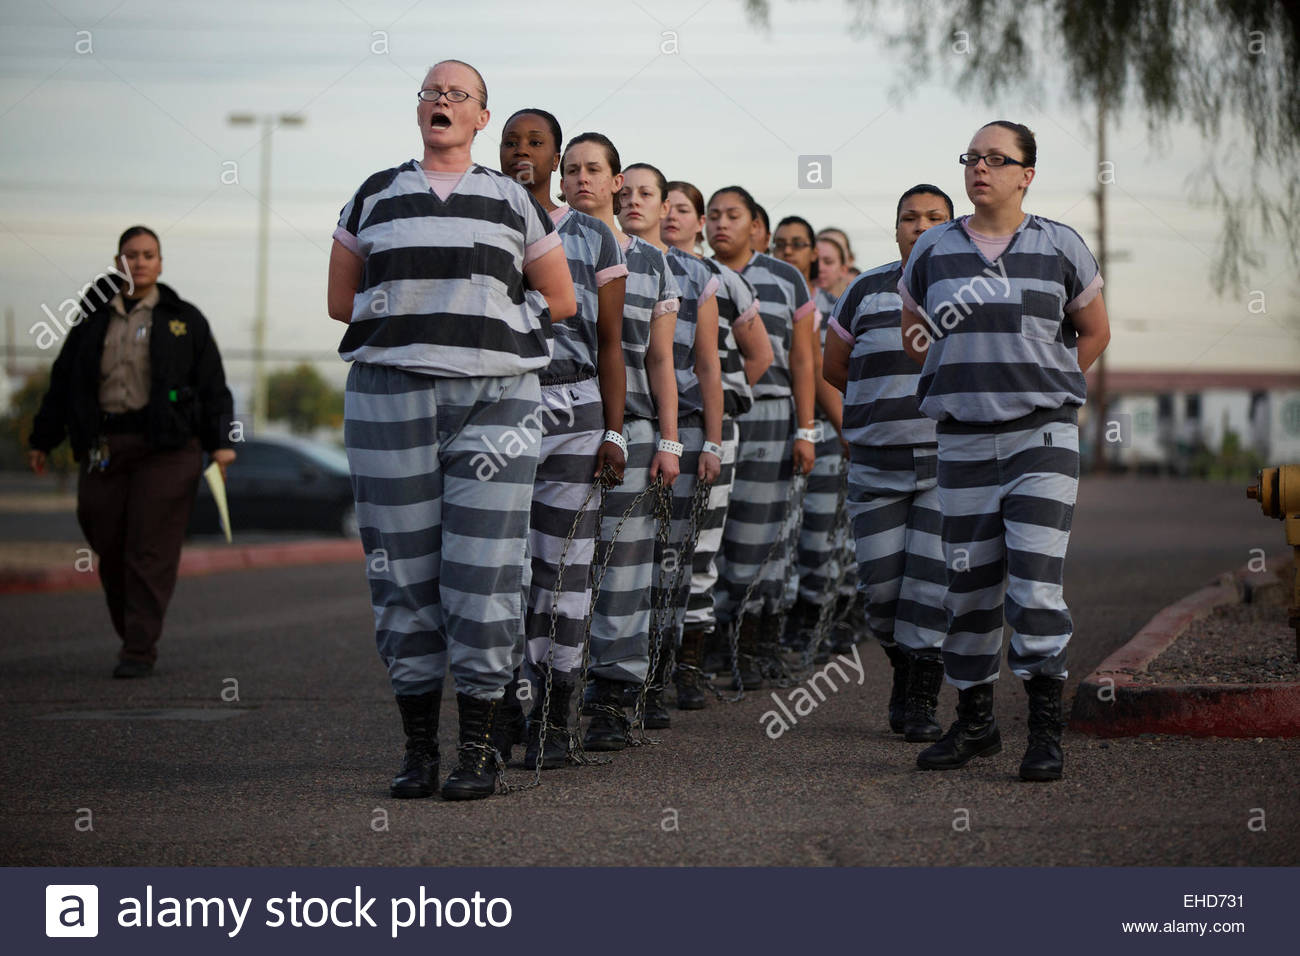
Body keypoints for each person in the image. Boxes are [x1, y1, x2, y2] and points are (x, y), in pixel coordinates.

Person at [327, 60, 577, 801]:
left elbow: (558, 298)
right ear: (419, 112)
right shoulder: (376, 192)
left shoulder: (510, 201)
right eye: (431, 92)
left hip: (495, 400)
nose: (441, 101)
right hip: (387, 396)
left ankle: (478, 750)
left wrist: (500, 327)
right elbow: (343, 301)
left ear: (479, 118)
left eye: (456, 94)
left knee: (483, 573)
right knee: (401, 574)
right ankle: (418, 752)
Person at [899, 121, 1111, 781]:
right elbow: (914, 329)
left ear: (1027, 174)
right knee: (968, 590)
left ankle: (1045, 731)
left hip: (1042, 436)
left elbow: (1095, 330)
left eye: (997, 159)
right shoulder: (933, 248)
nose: (980, 168)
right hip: (961, 440)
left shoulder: (1061, 245)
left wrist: (1048, 377)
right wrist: (954, 365)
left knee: (1035, 586)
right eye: (971, 157)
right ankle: (976, 724)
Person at [28, 226, 236, 679]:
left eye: (148, 255)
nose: (139, 262)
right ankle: (133, 630)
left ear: (160, 263)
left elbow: (213, 385)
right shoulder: (92, 318)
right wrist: (43, 438)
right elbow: (64, 381)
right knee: (106, 535)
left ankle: (139, 648)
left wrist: (221, 441)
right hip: (106, 445)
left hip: (168, 447)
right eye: (131, 255)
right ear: (118, 262)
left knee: (149, 546)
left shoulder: (184, 319)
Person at [497, 108, 628, 770]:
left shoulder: (594, 240)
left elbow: (611, 343)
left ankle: (554, 713)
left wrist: (614, 428)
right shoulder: (482, 221)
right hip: (497, 409)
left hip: (575, 412)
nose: (523, 151)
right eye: (511, 141)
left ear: (556, 162)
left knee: (563, 572)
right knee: (498, 570)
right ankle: (496, 712)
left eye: (537, 143)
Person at [558, 133, 681, 752]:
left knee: (624, 570)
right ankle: (549, 695)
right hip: (561, 428)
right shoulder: (543, 245)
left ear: (614, 183)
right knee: (560, 567)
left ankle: (613, 698)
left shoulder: (653, 262)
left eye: (596, 170)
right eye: (571, 169)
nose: (583, 179)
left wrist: (670, 440)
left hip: (631, 432)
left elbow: (660, 359)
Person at [823, 184, 954, 740]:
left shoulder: (970, 291)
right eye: (909, 218)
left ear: (952, 226)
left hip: (947, 465)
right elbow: (835, 370)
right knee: (882, 593)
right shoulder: (864, 290)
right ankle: (906, 671)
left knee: (928, 587)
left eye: (934, 218)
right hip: (875, 466)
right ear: (895, 228)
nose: (920, 226)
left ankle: (920, 698)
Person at [618, 163, 723, 727]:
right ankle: (617, 681)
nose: (635, 202)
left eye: (648, 195)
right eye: (626, 191)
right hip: (625, 424)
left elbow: (707, 364)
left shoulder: (694, 274)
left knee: (673, 559)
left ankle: (661, 675)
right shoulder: (603, 254)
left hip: (680, 430)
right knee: (622, 562)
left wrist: (712, 442)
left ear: (667, 209)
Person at [661, 180, 772, 705]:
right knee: (653, 546)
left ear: (699, 220)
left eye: (684, 209)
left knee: (699, 547)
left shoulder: (722, 279)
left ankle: (690, 665)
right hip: (656, 425)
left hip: (711, 428)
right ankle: (647, 666)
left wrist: (723, 397)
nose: (671, 216)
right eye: (667, 207)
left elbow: (761, 355)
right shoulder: (638, 264)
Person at [708, 186, 817, 689]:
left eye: (733, 216)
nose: (720, 225)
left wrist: (806, 429)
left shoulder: (786, 278)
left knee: (764, 532)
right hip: (718, 415)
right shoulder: (699, 274)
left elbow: (803, 359)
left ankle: (754, 645)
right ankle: (710, 645)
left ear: (756, 225)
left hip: (773, 415)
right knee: (716, 531)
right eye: (713, 216)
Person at [772, 216, 857, 656]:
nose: (789, 253)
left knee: (821, 532)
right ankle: (785, 620)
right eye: (780, 245)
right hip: (774, 427)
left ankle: (818, 620)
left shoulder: (829, 304)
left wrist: (844, 428)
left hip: (822, 432)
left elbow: (825, 371)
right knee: (783, 531)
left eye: (798, 245)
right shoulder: (768, 293)